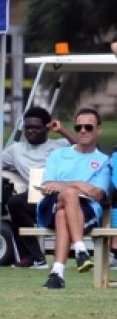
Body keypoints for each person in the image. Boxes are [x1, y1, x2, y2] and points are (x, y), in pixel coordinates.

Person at [0, 107, 74, 268]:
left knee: (18, 202)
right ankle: (34, 257)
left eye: (36, 128)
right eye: (28, 127)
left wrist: (62, 131)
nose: (31, 131)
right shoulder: (16, 149)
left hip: (59, 197)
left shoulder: (60, 145)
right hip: (35, 198)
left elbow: (87, 148)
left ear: (47, 127)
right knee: (15, 202)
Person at [38, 108, 110, 290]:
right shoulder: (58, 155)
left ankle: (57, 273)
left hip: (86, 212)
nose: (83, 131)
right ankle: (80, 249)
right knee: (69, 195)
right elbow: (48, 186)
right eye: (79, 127)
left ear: (98, 130)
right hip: (51, 204)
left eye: (88, 127)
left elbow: (98, 194)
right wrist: (79, 184)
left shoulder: (103, 161)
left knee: (63, 214)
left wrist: (63, 185)